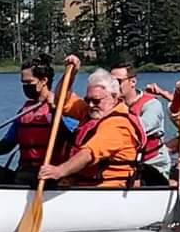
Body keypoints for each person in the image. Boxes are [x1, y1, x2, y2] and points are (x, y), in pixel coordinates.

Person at [38, 58, 147, 188]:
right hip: (83, 183)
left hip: (107, 187)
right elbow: (61, 100)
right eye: (87, 100)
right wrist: (71, 74)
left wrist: (59, 171)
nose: (90, 105)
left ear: (114, 97)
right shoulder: (91, 112)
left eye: (96, 101)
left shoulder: (118, 125)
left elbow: (89, 153)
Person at [0, 53, 79, 186]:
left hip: (49, 175)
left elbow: (72, 139)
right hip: (24, 171)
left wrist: (54, 110)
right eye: (23, 83)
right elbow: (6, 145)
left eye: (29, 83)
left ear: (44, 81)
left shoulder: (62, 109)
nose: (25, 87)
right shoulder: (24, 112)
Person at [110, 60, 172, 181]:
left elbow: (140, 129)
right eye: (110, 82)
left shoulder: (152, 105)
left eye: (117, 82)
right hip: (125, 163)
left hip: (152, 163)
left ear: (132, 82)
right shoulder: (108, 104)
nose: (113, 87)